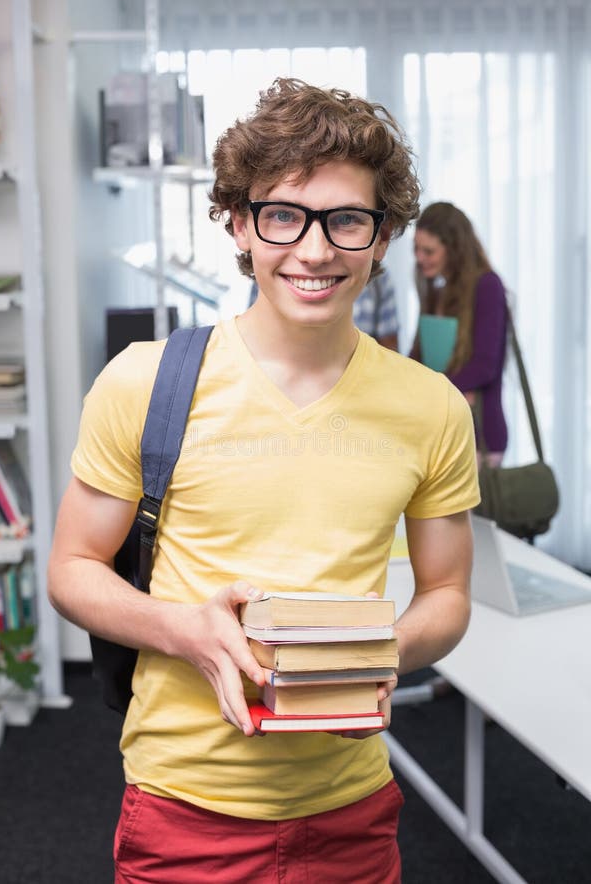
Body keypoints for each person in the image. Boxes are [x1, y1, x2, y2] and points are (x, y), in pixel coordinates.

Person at [47, 78, 480, 884]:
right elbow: (71, 571)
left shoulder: (432, 408)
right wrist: (187, 632)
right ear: (241, 225)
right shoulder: (146, 382)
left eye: (347, 220)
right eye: (284, 215)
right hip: (183, 808)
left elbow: (448, 593)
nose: (314, 251)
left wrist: (383, 656)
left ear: (382, 238)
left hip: (352, 810)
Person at [411, 201, 508, 466]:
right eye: (417, 249)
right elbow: (416, 359)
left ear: (453, 249)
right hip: (441, 429)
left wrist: (430, 392)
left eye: (428, 251)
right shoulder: (437, 290)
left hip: (478, 435)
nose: (419, 258)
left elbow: (484, 366)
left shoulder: (488, 286)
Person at [248, 265, 400, 349]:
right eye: (284, 216)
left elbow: (389, 341)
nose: (315, 257)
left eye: (346, 219)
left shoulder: (379, 282)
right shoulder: (264, 281)